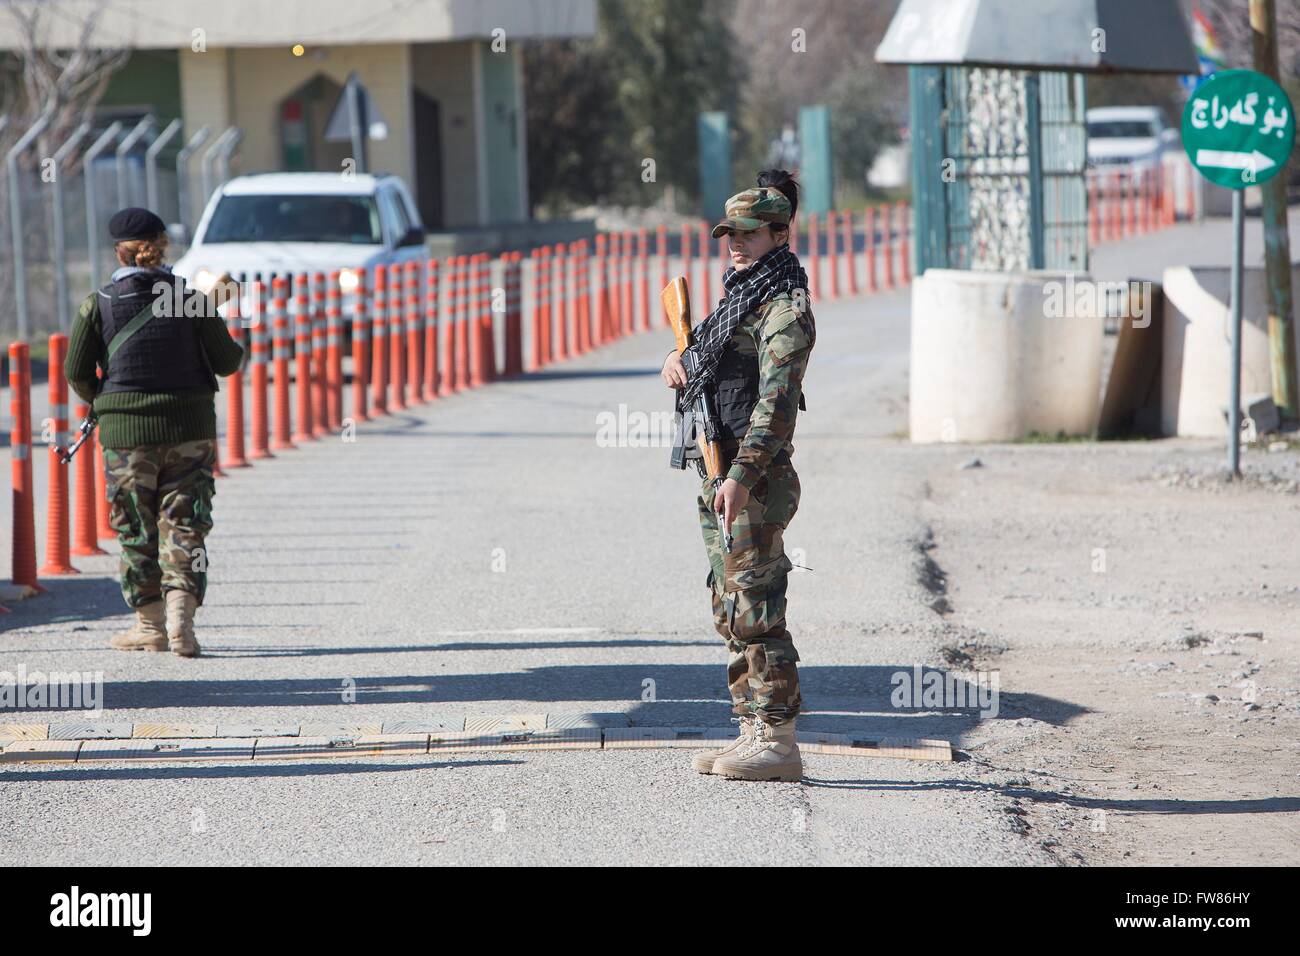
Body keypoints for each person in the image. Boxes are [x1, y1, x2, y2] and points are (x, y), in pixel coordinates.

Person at [661, 170, 815, 782]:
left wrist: (742, 475)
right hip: (717, 468)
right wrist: (679, 359)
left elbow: (776, 403)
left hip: (753, 477)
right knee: (727, 603)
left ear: (781, 233)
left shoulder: (785, 308)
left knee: (757, 605)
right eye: (730, 233)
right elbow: (704, 357)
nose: (735, 243)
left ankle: (778, 739)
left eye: (749, 234)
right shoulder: (739, 298)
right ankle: (749, 725)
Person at [65, 207, 243, 658]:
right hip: (190, 430)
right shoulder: (190, 299)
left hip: (126, 436)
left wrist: (106, 400)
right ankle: (182, 624)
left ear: (117, 250)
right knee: (185, 525)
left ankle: (149, 626)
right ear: (162, 246)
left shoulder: (99, 302)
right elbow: (228, 361)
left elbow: (76, 372)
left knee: (136, 528)